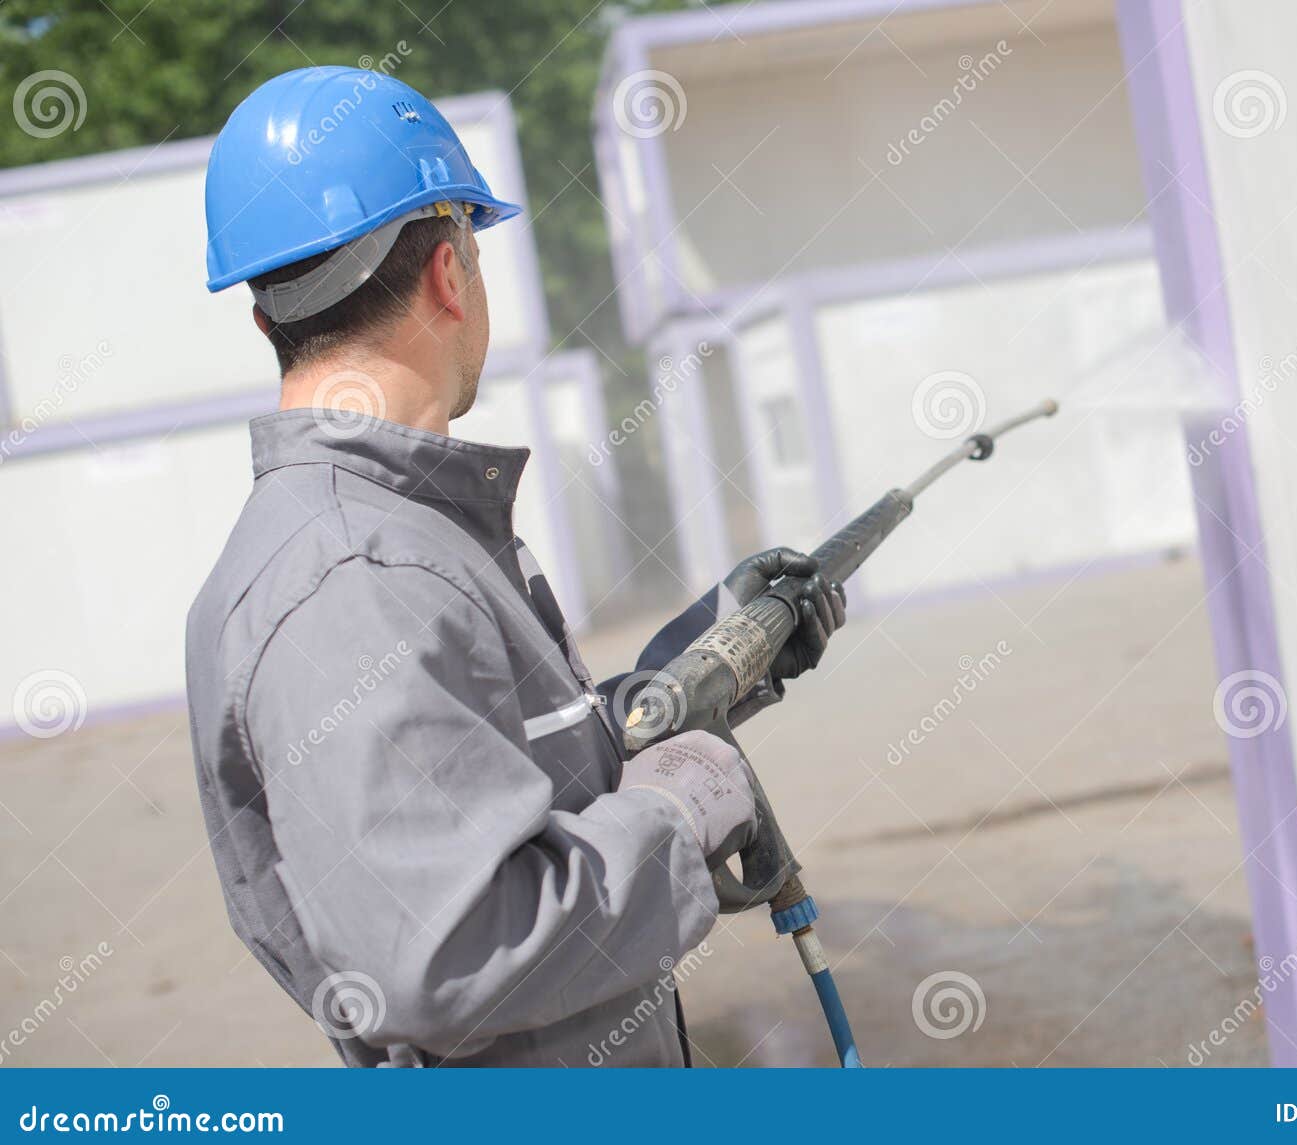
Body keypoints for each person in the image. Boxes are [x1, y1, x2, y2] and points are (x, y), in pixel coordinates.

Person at [185, 67, 845, 1067]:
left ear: (265, 318)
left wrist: (714, 665)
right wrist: (674, 814)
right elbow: (451, 953)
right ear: (451, 271)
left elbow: (508, 769)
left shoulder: (400, 532)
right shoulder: (358, 577)